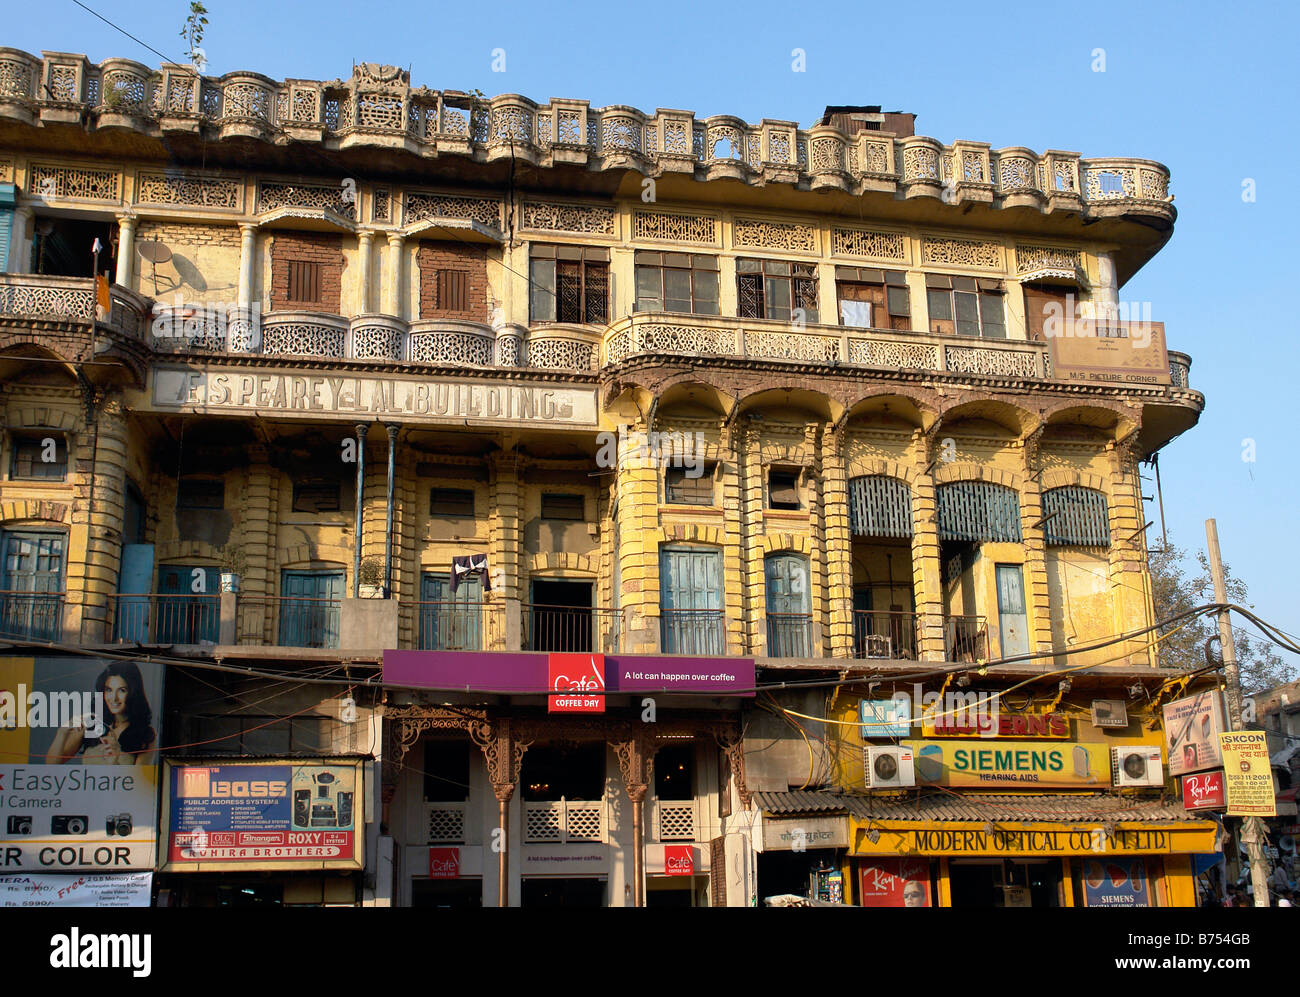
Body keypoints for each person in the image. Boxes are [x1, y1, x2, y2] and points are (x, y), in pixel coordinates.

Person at [45, 662, 156, 766]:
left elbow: (138, 783)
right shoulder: (93, 723)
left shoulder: (146, 733)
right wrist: (62, 733)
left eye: (122, 690)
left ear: (133, 692)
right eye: (109, 690)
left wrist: (115, 762)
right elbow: (52, 765)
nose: (114, 698)